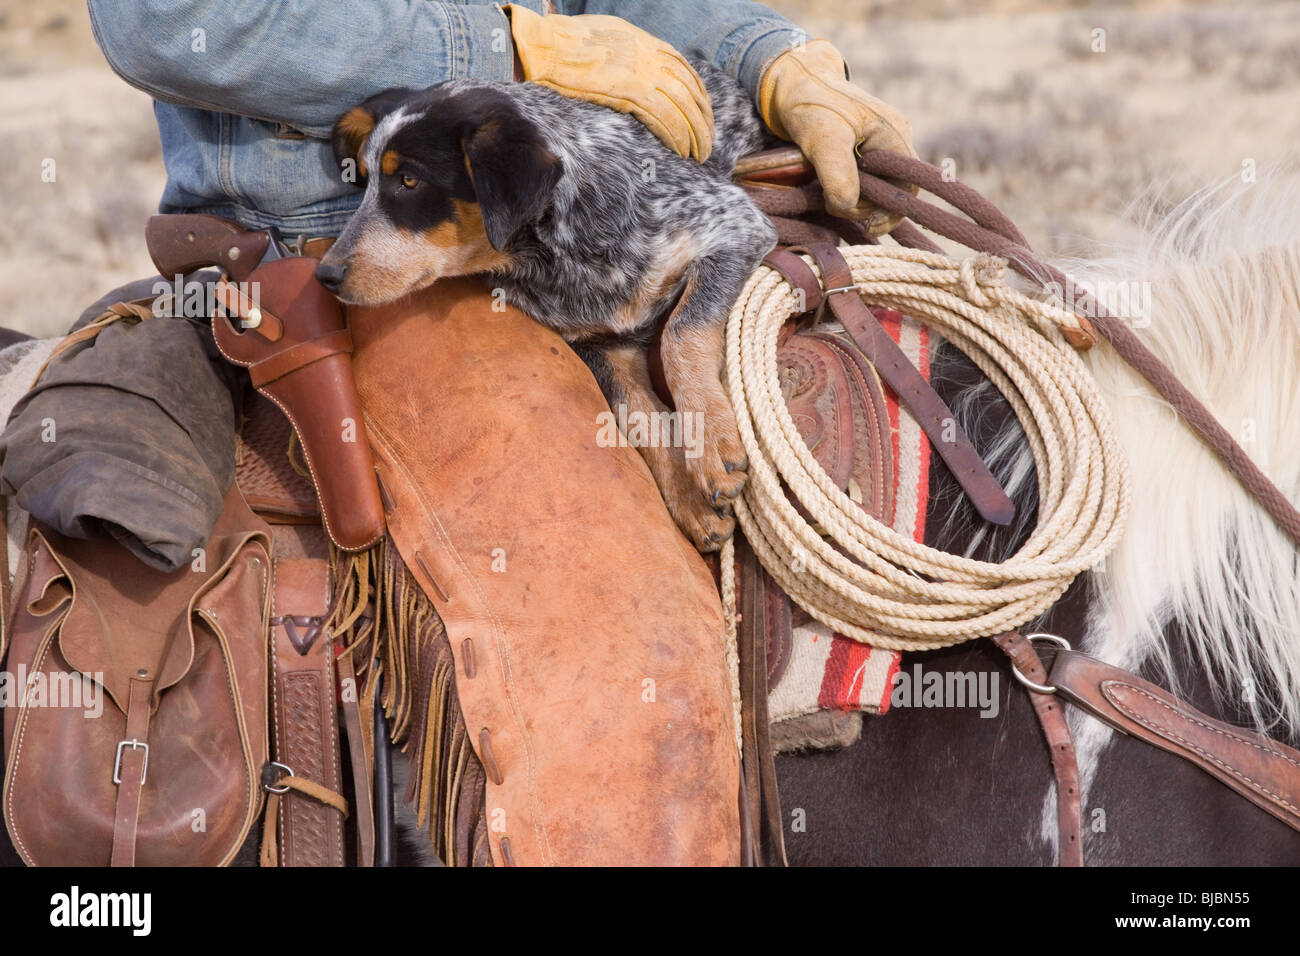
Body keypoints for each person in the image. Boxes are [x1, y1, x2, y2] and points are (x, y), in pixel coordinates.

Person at [1, 1, 918, 865]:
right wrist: (494, 47)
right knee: (625, 654)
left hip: (559, 216)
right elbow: (171, 21)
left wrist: (770, 59)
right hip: (326, 260)